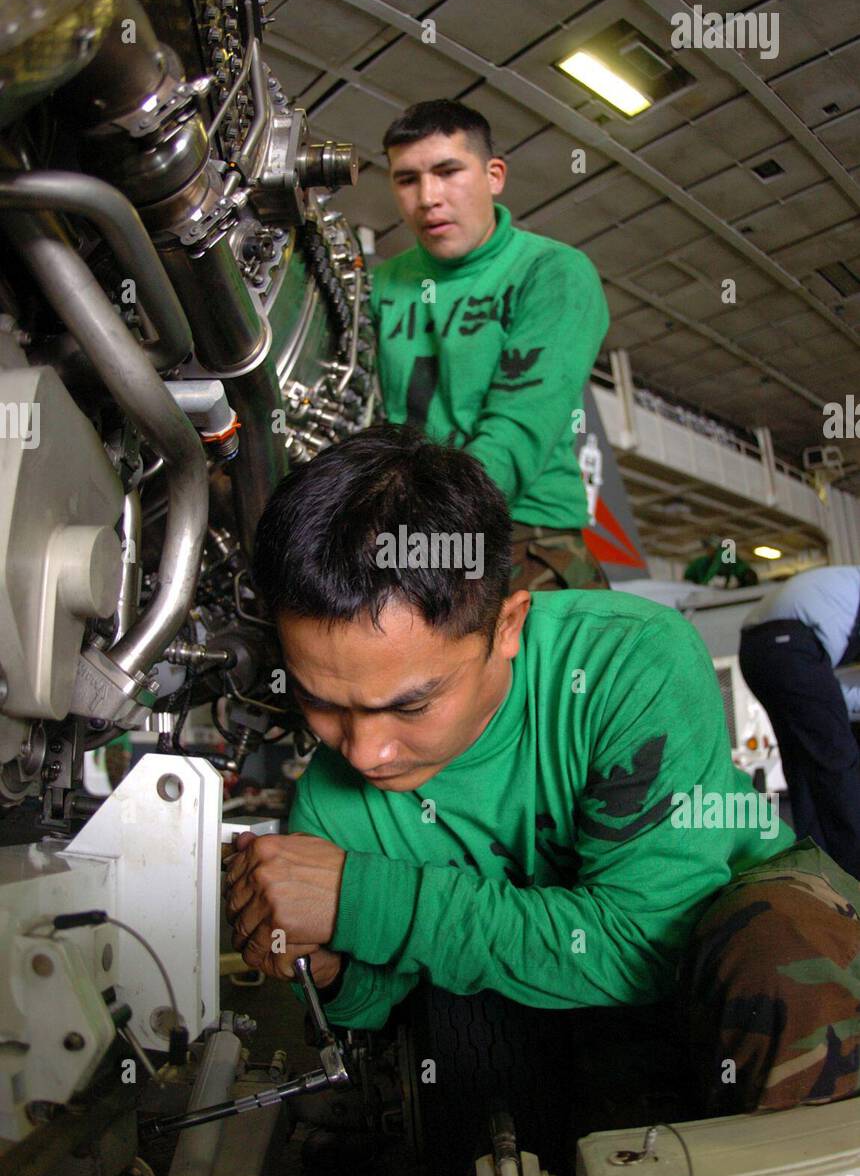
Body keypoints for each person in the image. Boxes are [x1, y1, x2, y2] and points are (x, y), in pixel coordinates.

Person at [225, 426, 860, 1127]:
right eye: (322, 701)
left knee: (778, 951)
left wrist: (368, 901)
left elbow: (645, 945)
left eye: (410, 704)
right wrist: (324, 964)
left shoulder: (629, 660)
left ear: (507, 626)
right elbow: (377, 1003)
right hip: (546, 1015)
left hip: (725, 952)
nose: (367, 752)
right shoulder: (330, 795)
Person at [370, 98, 610, 591]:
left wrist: (429, 535)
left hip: (523, 531)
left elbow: (518, 427)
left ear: (494, 175)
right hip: (403, 534)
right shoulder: (377, 285)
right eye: (407, 179)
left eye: (447, 171)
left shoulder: (552, 271)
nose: (428, 197)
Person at [739, 565, 860, 879]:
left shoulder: (844, 585)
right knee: (837, 761)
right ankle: (853, 874)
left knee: (804, 766)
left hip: (754, 649)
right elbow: (828, 696)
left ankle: (820, 871)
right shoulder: (849, 597)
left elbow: (828, 696)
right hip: (787, 642)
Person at [684, 535, 758, 588]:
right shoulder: (722, 554)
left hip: (747, 577)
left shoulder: (722, 553)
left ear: (714, 547)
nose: (707, 551)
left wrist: (704, 585)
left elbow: (714, 570)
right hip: (744, 577)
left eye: (708, 548)